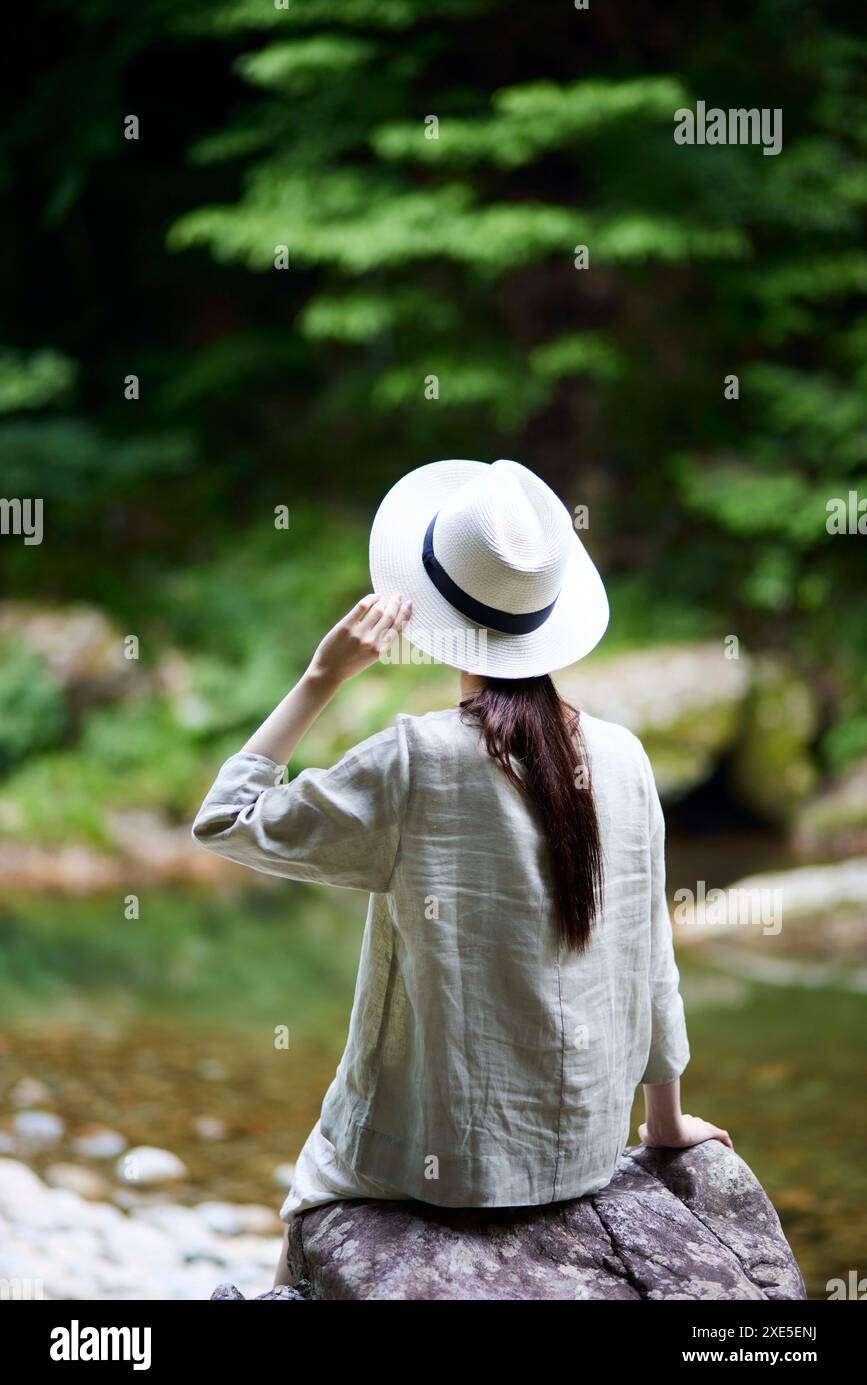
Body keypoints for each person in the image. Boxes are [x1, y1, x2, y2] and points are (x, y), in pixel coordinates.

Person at [191, 457, 731, 1290]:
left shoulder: (416, 759)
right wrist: (661, 1127)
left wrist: (320, 678)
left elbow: (227, 819)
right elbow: (650, 956)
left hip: (435, 1170)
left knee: (309, 1200)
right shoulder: (624, 759)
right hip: (585, 1161)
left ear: (434, 608)